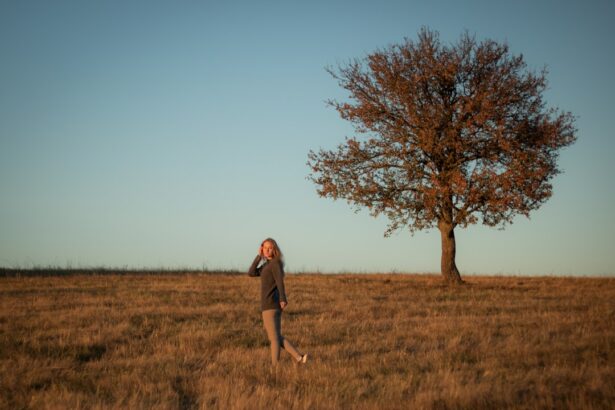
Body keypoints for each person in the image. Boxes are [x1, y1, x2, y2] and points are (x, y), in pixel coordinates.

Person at [248, 238, 307, 365]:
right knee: (277, 337)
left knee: (273, 339)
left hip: (271, 305)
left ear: (274, 249)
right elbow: (251, 273)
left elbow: (280, 282)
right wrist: (259, 256)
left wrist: (283, 298)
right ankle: (299, 358)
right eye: (265, 248)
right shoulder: (267, 265)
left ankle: (275, 368)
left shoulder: (275, 264)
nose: (267, 250)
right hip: (270, 305)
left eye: (270, 248)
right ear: (262, 249)